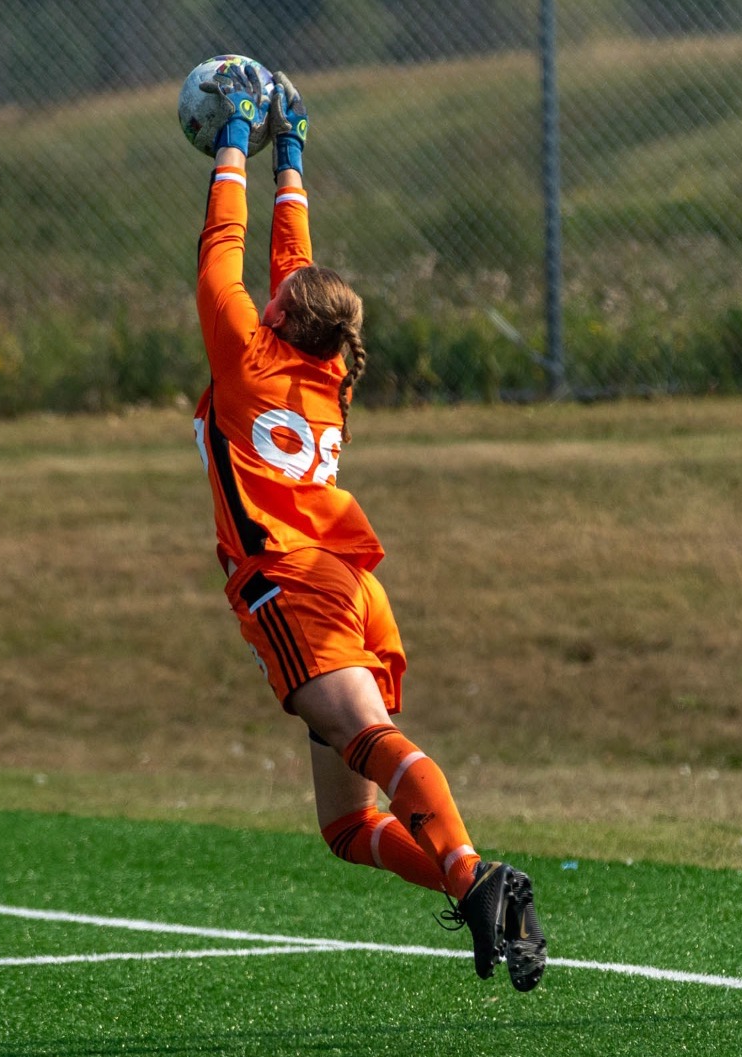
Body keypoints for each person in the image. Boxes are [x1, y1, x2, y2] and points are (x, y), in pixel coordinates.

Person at [190, 60, 545, 991]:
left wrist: (236, 137)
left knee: (367, 743)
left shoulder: (246, 358)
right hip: (354, 587)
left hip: (293, 586)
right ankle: (477, 885)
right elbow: (283, 262)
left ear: (277, 317)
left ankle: (471, 869)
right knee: (348, 827)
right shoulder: (327, 377)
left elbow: (220, 249)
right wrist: (293, 149)